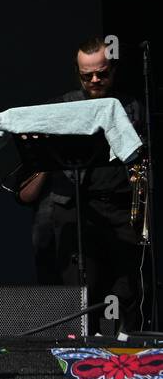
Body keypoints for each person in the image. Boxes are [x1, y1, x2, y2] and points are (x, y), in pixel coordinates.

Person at [15, 38, 148, 332]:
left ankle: (124, 352)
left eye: (102, 73)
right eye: (87, 75)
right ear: (78, 74)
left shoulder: (132, 107)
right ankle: (76, 354)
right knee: (76, 291)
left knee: (124, 288)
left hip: (119, 209)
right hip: (74, 209)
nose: (95, 80)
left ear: (112, 71)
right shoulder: (62, 106)